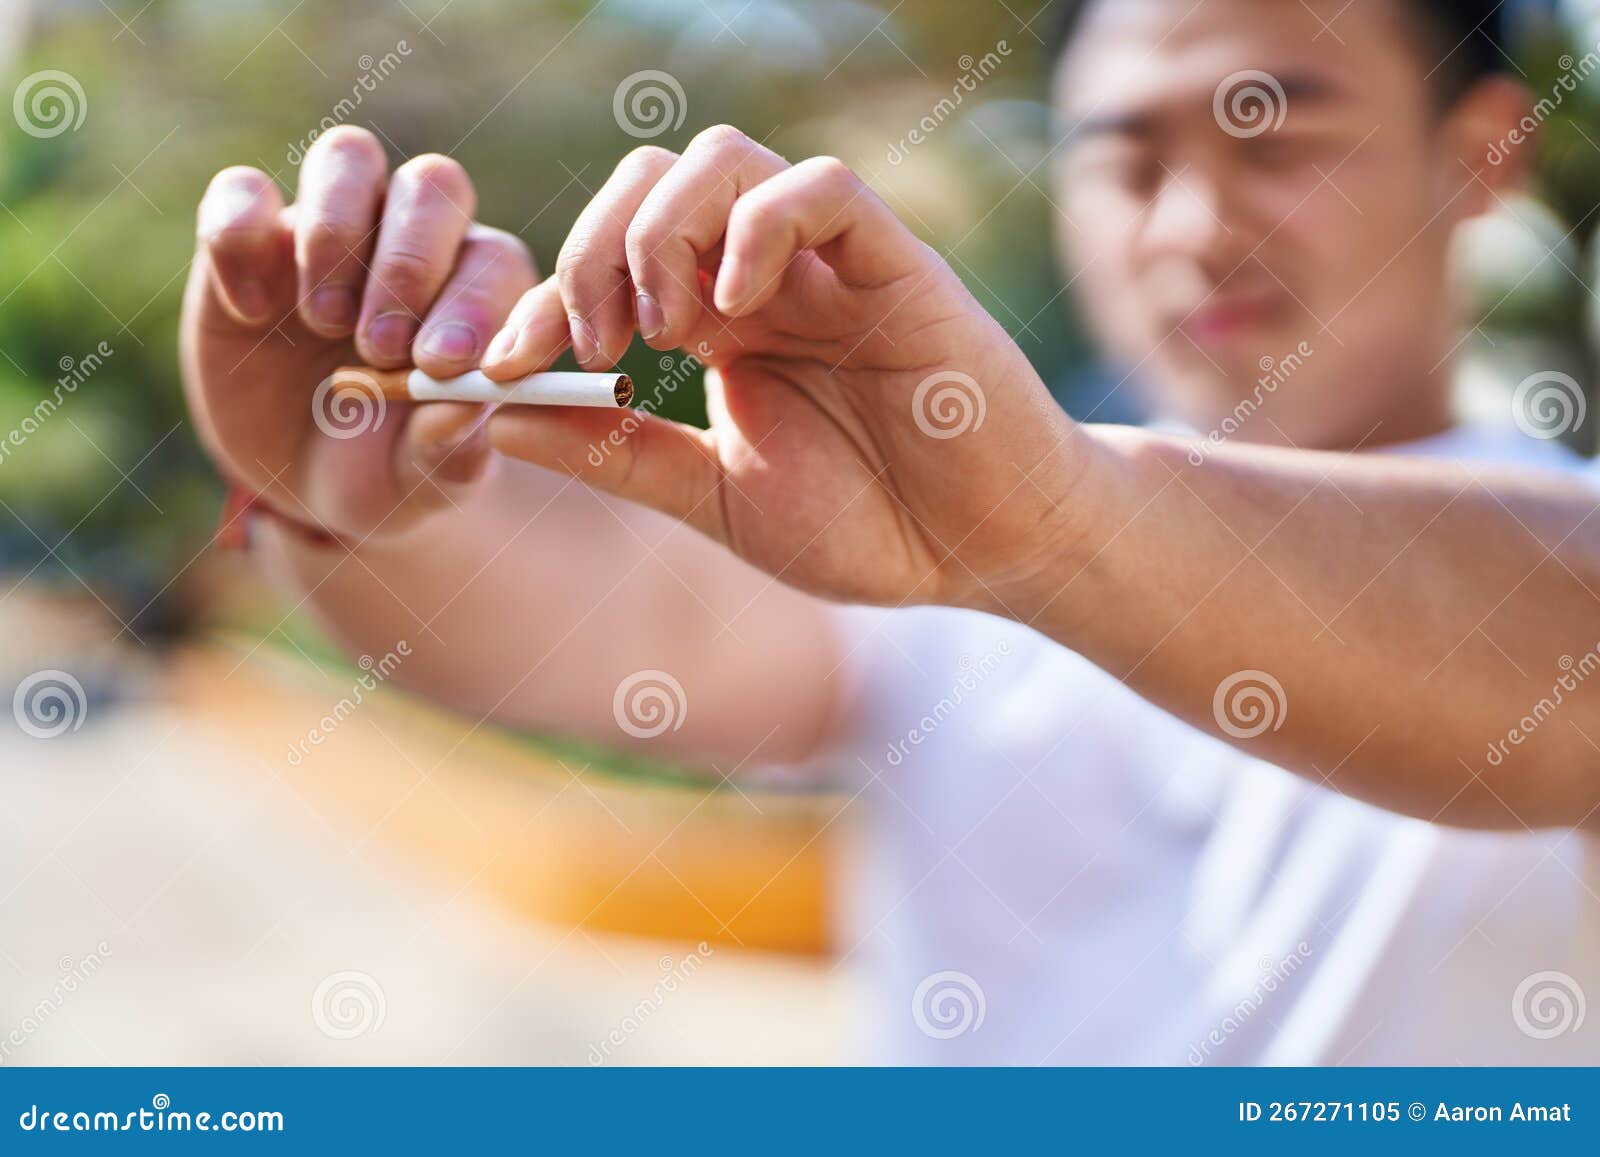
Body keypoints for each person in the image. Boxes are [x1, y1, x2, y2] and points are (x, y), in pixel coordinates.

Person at [180, 0, 1600, 1063]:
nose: (1188, 225)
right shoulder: (944, 539)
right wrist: (341, 491)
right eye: (1122, 160)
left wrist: (1051, 523)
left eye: (1272, 133)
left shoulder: (1537, 564)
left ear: (1483, 156)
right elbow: (631, 623)